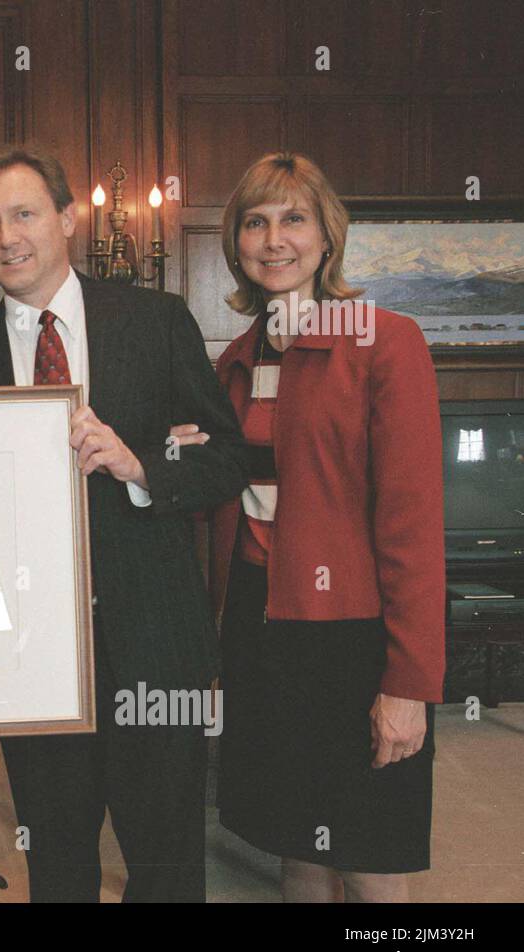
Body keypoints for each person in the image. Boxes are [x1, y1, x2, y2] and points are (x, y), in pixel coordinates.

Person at [0, 146, 250, 902]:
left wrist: (141, 466)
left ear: (68, 219)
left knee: (167, 861)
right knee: (58, 864)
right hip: (32, 658)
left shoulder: (156, 321)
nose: (7, 237)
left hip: (155, 645)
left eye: (23, 214)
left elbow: (226, 462)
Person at [202, 152, 443, 902]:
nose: (274, 239)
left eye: (293, 218)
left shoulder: (384, 342)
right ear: (236, 242)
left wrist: (409, 684)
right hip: (257, 631)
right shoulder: (234, 362)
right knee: (294, 844)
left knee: (368, 853)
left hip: (350, 640)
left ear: (326, 235)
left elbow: (413, 525)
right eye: (256, 221)